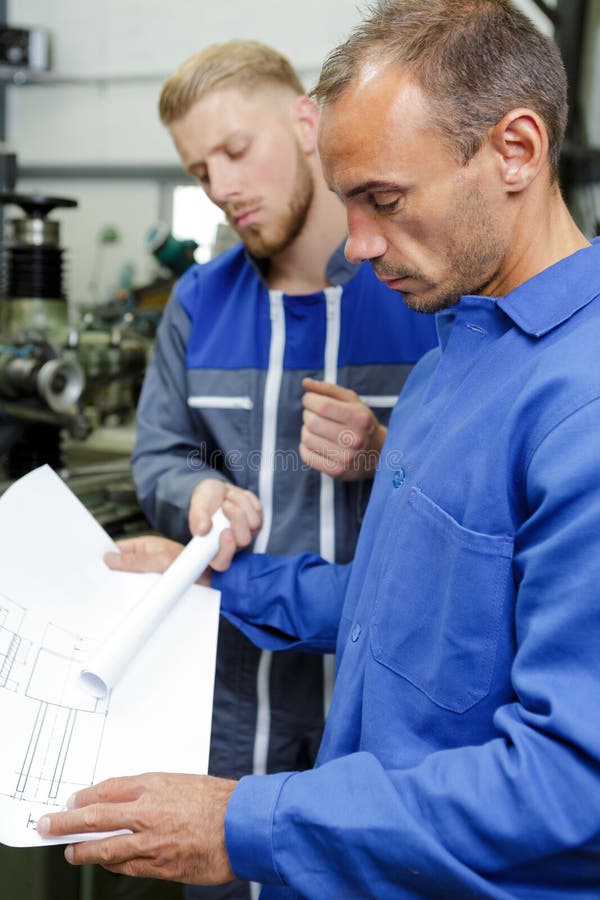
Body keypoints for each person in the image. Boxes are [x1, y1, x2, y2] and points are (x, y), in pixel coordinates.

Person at [39, 1, 600, 896]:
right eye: (348, 203)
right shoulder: (455, 352)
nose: (361, 244)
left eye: (383, 199)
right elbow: (393, 606)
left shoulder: (580, 404)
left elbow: (570, 785)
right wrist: (213, 580)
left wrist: (245, 821)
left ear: (517, 151)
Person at [128, 38, 437, 900]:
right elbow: (160, 451)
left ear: (307, 123)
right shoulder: (198, 303)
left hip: (388, 689)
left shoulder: (422, 293)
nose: (222, 186)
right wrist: (195, 489)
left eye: (236, 150)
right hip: (235, 686)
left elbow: (474, 469)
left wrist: (383, 447)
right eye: (199, 170)